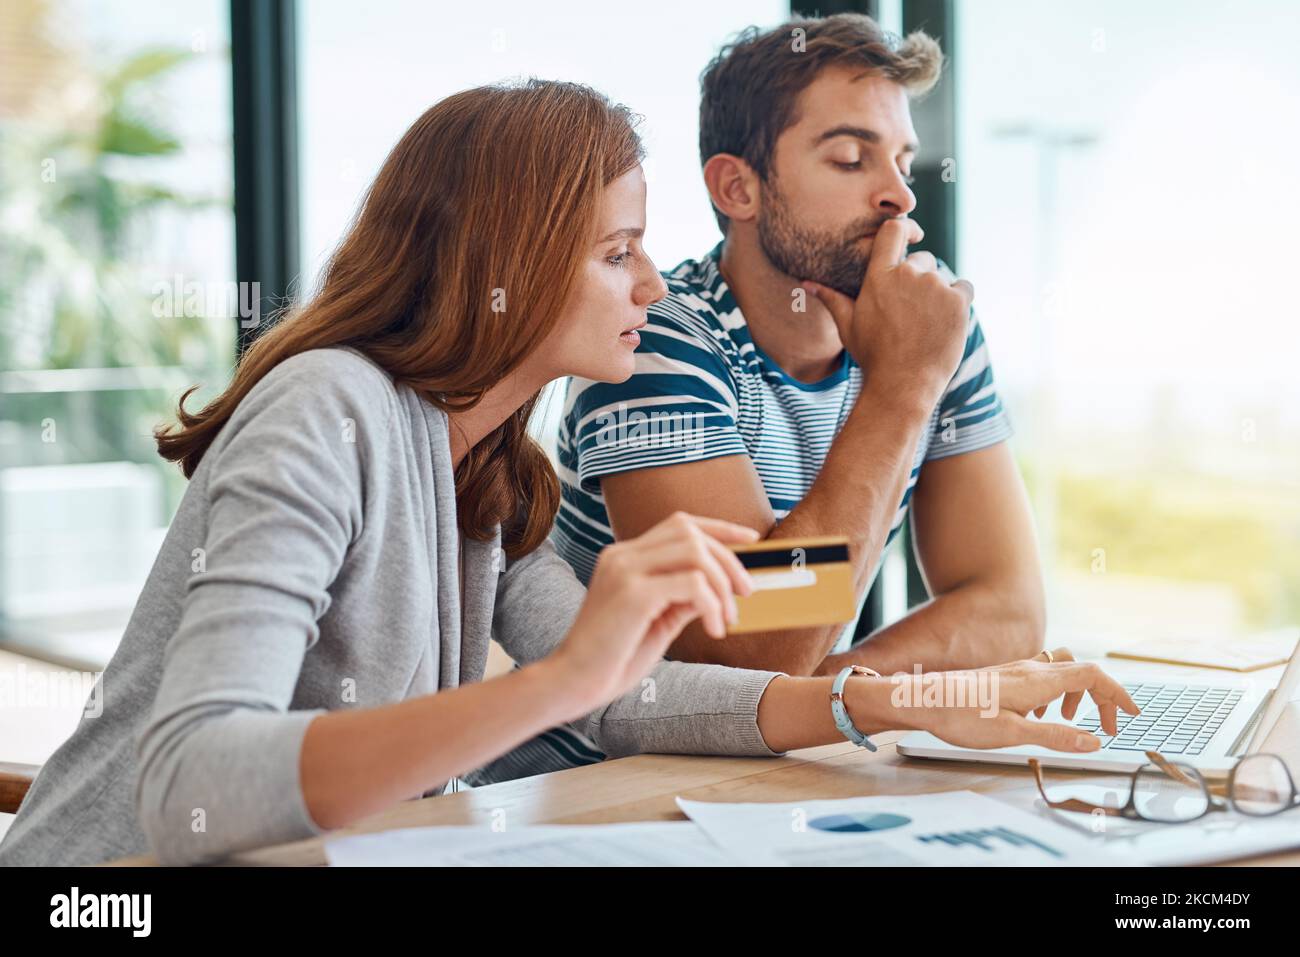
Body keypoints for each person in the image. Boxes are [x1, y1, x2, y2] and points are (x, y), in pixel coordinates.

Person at [0, 79, 1134, 867]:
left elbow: (634, 692)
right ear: (509, 259)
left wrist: (909, 703)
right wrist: (557, 684)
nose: (648, 284)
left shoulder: (489, 464)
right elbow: (190, 780)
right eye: (614, 252)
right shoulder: (331, 411)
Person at [495, 13, 1045, 783]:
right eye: (851, 159)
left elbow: (1010, 607)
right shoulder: (655, 338)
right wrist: (901, 388)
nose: (898, 197)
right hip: (602, 785)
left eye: (902, 160)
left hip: (777, 763)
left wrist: (848, 696)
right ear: (738, 187)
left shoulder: (931, 325)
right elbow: (758, 646)